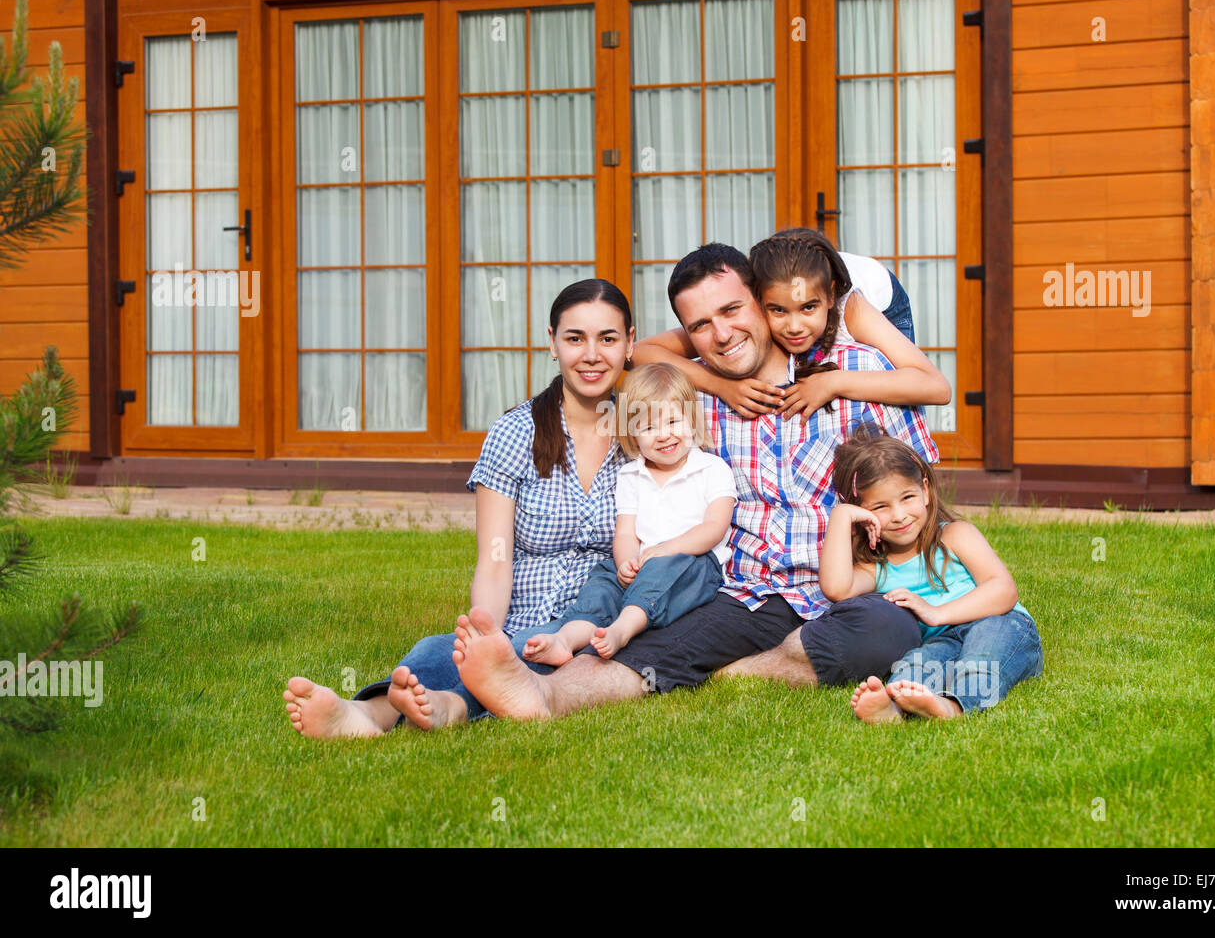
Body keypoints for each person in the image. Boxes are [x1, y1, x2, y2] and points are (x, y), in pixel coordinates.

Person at [450, 243, 950, 722]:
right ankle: (541, 693)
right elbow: (633, 358)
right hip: (749, 592)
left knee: (882, 631)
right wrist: (720, 382)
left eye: (733, 310)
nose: (723, 333)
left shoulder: (856, 371)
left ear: (763, 301)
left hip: (847, 589)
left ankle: (740, 670)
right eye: (701, 326)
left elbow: (920, 493)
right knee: (650, 638)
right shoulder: (693, 400)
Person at [281, 279, 634, 738]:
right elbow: (494, 557)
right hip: (524, 615)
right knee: (448, 649)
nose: (592, 355)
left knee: (550, 667)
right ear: (552, 343)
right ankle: (367, 712)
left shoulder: (646, 434)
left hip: (599, 624)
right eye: (574, 338)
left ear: (631, 343)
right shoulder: (513, 433)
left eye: (608, 338)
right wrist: (484, 630)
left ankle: (444, 707)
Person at [820, 430, 1043, 723]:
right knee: (916, 664)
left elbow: (1003, 590)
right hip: (944, 642)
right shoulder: (877, 567)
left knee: (983, 656)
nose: (899, 515)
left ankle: (955, 706)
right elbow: (836, 588)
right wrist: (840, 516)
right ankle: (895, 708)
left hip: (1001, 625)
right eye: (880, 506)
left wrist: (936, 613)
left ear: (925, 490)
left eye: (907, 497)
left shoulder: (953, 535)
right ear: (862, 513)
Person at [522, 363, 736, 664]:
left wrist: (666, 549)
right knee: (603, 579)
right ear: (633, 435)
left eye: (673, 422)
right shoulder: (631, 475)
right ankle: (566, 637)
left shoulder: (712, 469)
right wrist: (626, 563)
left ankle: (622, 629)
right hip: (644, 561)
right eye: (649, 427)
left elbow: (714, 527)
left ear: (692, 421)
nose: (663, 435)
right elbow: (625, 532)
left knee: (664, 571)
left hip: (695, 565)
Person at [633, 228, 942, 421]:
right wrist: (722, 386)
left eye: (806, 309)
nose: (722, 333)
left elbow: (934, 387)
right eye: (778, 310)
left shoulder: (852, 308)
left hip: (881, 300)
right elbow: (639, 353)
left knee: (896, 397)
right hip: (796, 278)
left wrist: (833, 383)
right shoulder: (738, 313)